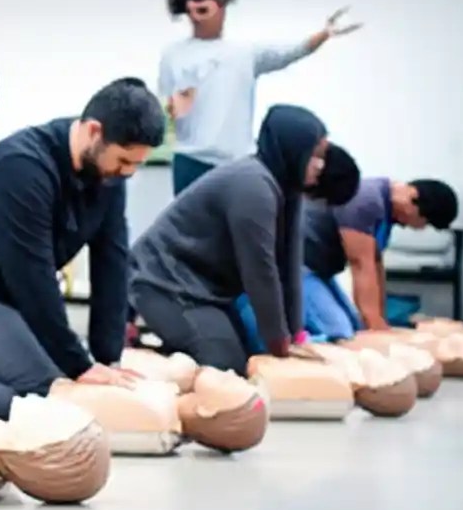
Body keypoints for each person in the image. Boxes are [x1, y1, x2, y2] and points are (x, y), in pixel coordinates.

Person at [0, 78, 165, 419]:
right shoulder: (22, 166)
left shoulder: (108, 175)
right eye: (123, 161)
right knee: (51, 392)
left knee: (69, 377)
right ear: (94, 132)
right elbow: (32, 276)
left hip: (3, 300)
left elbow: (111, 261)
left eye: (135, 166)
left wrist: (108, 358)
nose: (126, 173)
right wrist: (78, 367)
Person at [127, 104, 360, 376]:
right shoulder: (253, 186)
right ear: (293, 149)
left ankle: (169, 351)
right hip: (164, 284)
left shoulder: (289, 189)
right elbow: (260, 272)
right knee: (226, 366)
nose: (319, 166)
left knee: (248, 357)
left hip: (204, 292)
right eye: (314, 155)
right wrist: (278, 342)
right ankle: (136, 359)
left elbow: (290, 265)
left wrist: (296, 334)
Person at [159, 0, 362, 194]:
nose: (198, 19)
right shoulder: (174, 54)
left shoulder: (243, 53)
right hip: (191, 159)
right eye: (193, 11)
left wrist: (325, 34)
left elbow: (291, 51)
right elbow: (168, 106)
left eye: (204, 11)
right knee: (192, 227)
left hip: (236, 162)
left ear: (223, 9)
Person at [299, 177, 458, 341]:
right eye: (425, 223)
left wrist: (379, 322)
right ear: (414, 202)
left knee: (355, 326)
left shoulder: (386, 213)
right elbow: (360, 264)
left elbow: (375, 265)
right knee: (339, 332)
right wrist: (375, 326)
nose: (419, 228)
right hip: (295, 266)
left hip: (318, 271)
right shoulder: (367, 200)